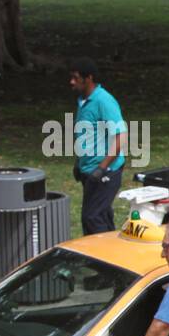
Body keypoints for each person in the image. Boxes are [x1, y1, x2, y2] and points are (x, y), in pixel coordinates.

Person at [68, 58, 125, 236]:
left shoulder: (103, 101)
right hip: (89, 171)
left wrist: (102, 168)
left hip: (105, 172)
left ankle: (100, 257)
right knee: (102, 216)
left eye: (76, 78)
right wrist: (79, 162)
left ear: (89, 78)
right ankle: (113, 256)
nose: (72, 82)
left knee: (92, 218)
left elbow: (121, 136)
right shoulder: (84, 101)